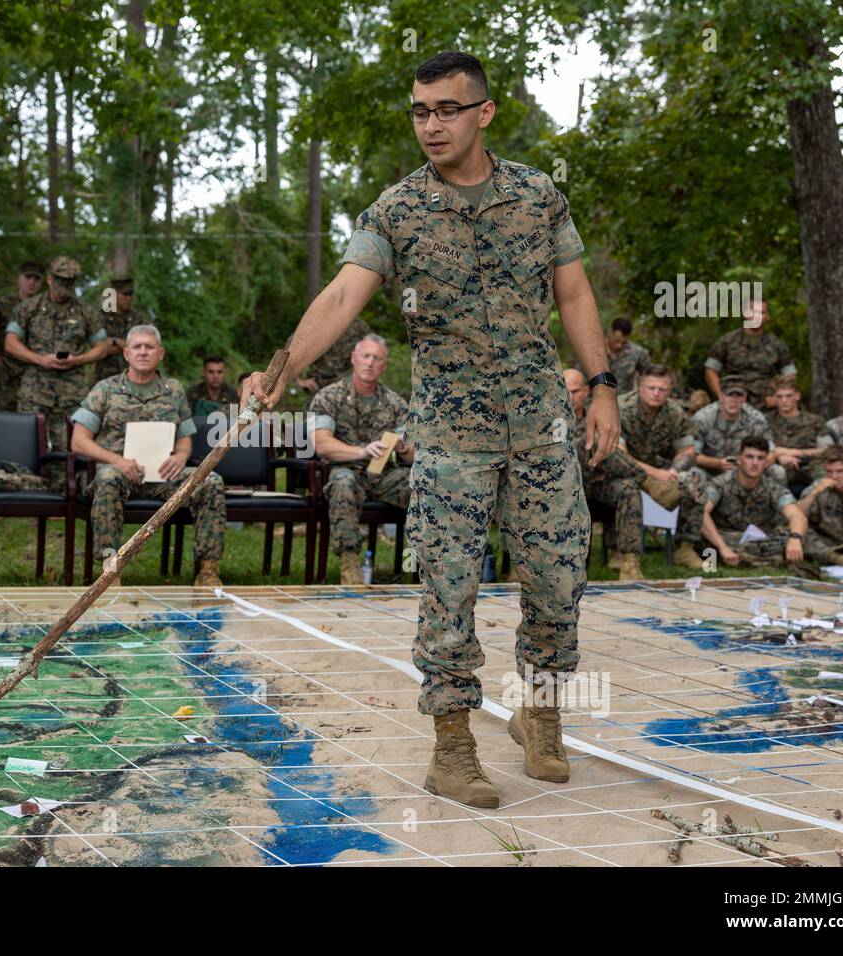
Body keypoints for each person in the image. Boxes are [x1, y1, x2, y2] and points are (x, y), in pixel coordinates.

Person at [240, 52, 621, 808]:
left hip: (541, 424)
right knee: (449, 588)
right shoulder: (398, 210)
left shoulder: (538, 196)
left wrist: (603, 386)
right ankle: (452, 745)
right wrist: (282, 367)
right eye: (420, 111)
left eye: (447, 109)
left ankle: (540, 712)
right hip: (451, 432)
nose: (432, 125)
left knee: (558, 578)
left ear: (484, 113)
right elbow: (343, 294)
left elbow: (574, 294)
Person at [70, 325, 225, 588]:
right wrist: (117, 461)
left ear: (160, 353)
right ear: (127, 354)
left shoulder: (173, 390)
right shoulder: (105, 389)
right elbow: (78, 441)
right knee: (106, 479)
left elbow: (185, 438)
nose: (143, 352)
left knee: (210, 481)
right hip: (119, 472)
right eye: (137, 347)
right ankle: (110, 570)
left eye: (149, 347)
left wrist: (180, 456)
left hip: (163, 474)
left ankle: (207, 570)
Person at [308, 334, 412, 584]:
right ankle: (350, 564)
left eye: (377, 358)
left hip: (383, 474)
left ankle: (427, 562)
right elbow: (322, 446)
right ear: (353, 358)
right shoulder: (328, 397)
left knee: (422, 481)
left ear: (384, 365)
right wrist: (363, 451)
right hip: (345, 470)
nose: (370, 363)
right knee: (343, 482)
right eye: (365, 356)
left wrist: (403, 448)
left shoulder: (396, 403)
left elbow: (413, 456)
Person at [6, 256, 108, 477]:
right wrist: (40, 359)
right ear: (50, 280)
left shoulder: (85, 311)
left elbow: (102, 347)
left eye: (70, 283)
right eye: (61, 282)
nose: (64, 289)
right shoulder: (29, 307)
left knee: (69, 445)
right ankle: (28, 488)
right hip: (35, 389)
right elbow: (11, 343)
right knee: (28, 442)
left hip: (71, 391)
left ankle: (65, 491)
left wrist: (76, 360)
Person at [564, 367, 662, 581]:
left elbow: (617, 446)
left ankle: (629, 563)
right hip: (565, 486)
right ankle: (649, 482)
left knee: (628, 488)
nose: (570, 396)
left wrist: (605, 468)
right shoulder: (551, 419)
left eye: (575, 391)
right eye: (565, 390)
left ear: (586, 391)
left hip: (596, 482)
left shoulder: (598, 416)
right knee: (593, 442)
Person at [617, 365, 705, 568]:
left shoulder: (673, 412)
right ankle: (623, 552)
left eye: (662, 389)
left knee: (695, 477)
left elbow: (688, 450)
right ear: (640, 386)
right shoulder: (622, 407)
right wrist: (656, 474)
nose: (656, 393)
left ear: (670, 389)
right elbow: (619, 454)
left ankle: (685, 547)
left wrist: (674, 471)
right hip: (626, 469)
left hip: (658, 468)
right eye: (651, 388)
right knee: (622, 474)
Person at [701, 436, 806, 568]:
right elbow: (702, 513)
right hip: (725, 537)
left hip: (759, 540)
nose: (755, 463)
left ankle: (749, 558)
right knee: (704, 536)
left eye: (760, 458)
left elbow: (796, 515)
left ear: (766, 462)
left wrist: (795, 538)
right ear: (739, 460)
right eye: (749, 457)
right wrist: (722, 547)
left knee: (793, 533)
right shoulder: (720, 484)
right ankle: (769, 560)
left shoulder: (773, 487)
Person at [704, 299, 796, 409]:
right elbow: (711, 370)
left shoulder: (777, 345)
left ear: (767, 317)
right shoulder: (728, 341)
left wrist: (778, 398)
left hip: (766, 405)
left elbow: (790, 375)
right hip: (733, 404)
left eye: (762, 313)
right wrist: (721, 396)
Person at [690, 374, 783, 483]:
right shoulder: (703, 418)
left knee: (778, 472)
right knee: (690, 474)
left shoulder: (756, 419)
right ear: (721, 396)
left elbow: (771, 453)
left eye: (738, 395)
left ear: (744, 398)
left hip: (747, 473)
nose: (734, 400)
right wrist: (718, 463)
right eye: (729, 395)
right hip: (711, 473)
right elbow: (691, 454)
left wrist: (747, 466)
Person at [764, 375, 832, 493]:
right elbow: (758, 449)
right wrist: (778, 456)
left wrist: (793, 452)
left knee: (826, 475)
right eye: (780, 396)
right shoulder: (765, 420)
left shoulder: (815, 420)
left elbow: (828, 449)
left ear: (797, 396)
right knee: (774, 473)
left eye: (788, 396)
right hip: (779, 465)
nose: (784, 400)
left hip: (811, 463)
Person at [0, 261, 42, 412]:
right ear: (19, 279)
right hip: (7, 371)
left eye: (36, 279)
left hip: (35, 371)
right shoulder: (0, 304)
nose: (31, 282)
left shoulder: (44, 307)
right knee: (4, 416)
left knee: (33, 416)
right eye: (28, 277)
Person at [93, 273, 147, 382]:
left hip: (133, 377)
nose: (129, 298)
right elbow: (98, 349)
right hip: (105, 378)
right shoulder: (101, 317)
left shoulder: (137, 318)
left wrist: (114, 341)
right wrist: (125, 344)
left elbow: (143, 347)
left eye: (131, 294)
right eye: (125, 294)